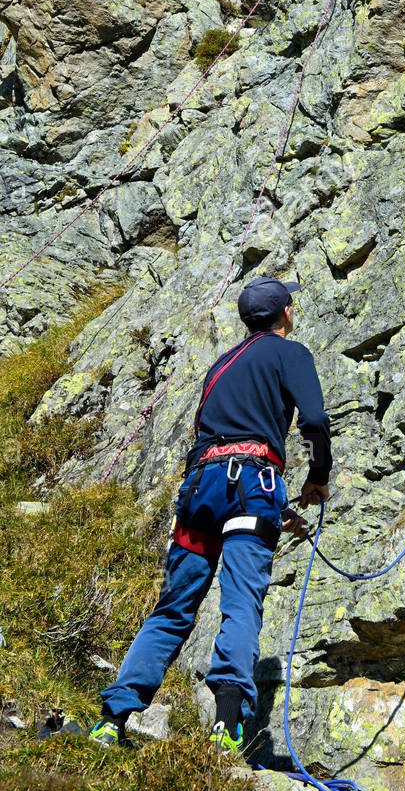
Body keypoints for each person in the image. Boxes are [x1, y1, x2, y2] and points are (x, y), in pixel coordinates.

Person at [88, 276, 331, 757]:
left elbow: (215, 440)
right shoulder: (291, 353)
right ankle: (226, 724)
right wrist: (315, 475)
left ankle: (113, 719)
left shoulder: (221, 365)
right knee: (241, 603)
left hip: (201, 489)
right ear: (285, 313)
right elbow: (314, 422)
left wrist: (269, 504)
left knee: (174, 608)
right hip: (253, 486)